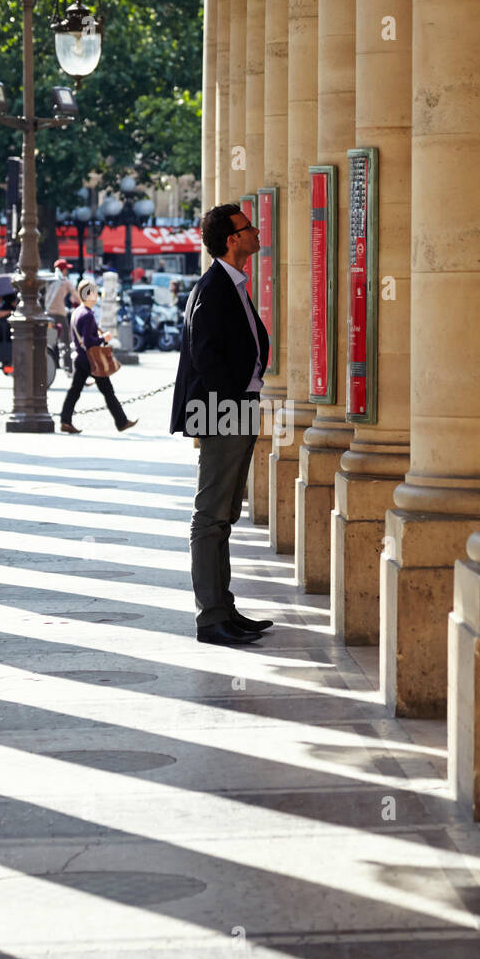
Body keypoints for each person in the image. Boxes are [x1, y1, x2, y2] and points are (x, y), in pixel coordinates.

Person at [169, 203, 273, 647]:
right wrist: (225, 407)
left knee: (225, 515)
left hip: (238, 404)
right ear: (232, 240)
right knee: (210, 515)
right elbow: (206, 357)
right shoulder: (214, 288)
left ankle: (224, 607)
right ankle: (211, 617)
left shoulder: (232, 284)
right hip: (222, 409)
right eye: (248, 228)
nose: (256, 233)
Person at [60, 279, 137, 435]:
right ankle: (122, 421)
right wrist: (104, 339)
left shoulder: (77, 312)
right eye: (95, 293)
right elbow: (89, 342)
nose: (97, 296)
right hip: (90, 359)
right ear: (88, 295)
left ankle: (65, 420)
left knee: (75, 391)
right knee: (107, 391)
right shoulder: (87, 315)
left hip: (81, 358)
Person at [44, 259, 80, 369]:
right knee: (65, 341)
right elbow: (76, 298)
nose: (67, 271)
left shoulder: (50, 280)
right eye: (66, 269)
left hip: (48, 314)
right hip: (60, 314)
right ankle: (68, 366)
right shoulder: (65, 282)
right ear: (63, 270)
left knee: (50, 340)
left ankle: (50, 363)